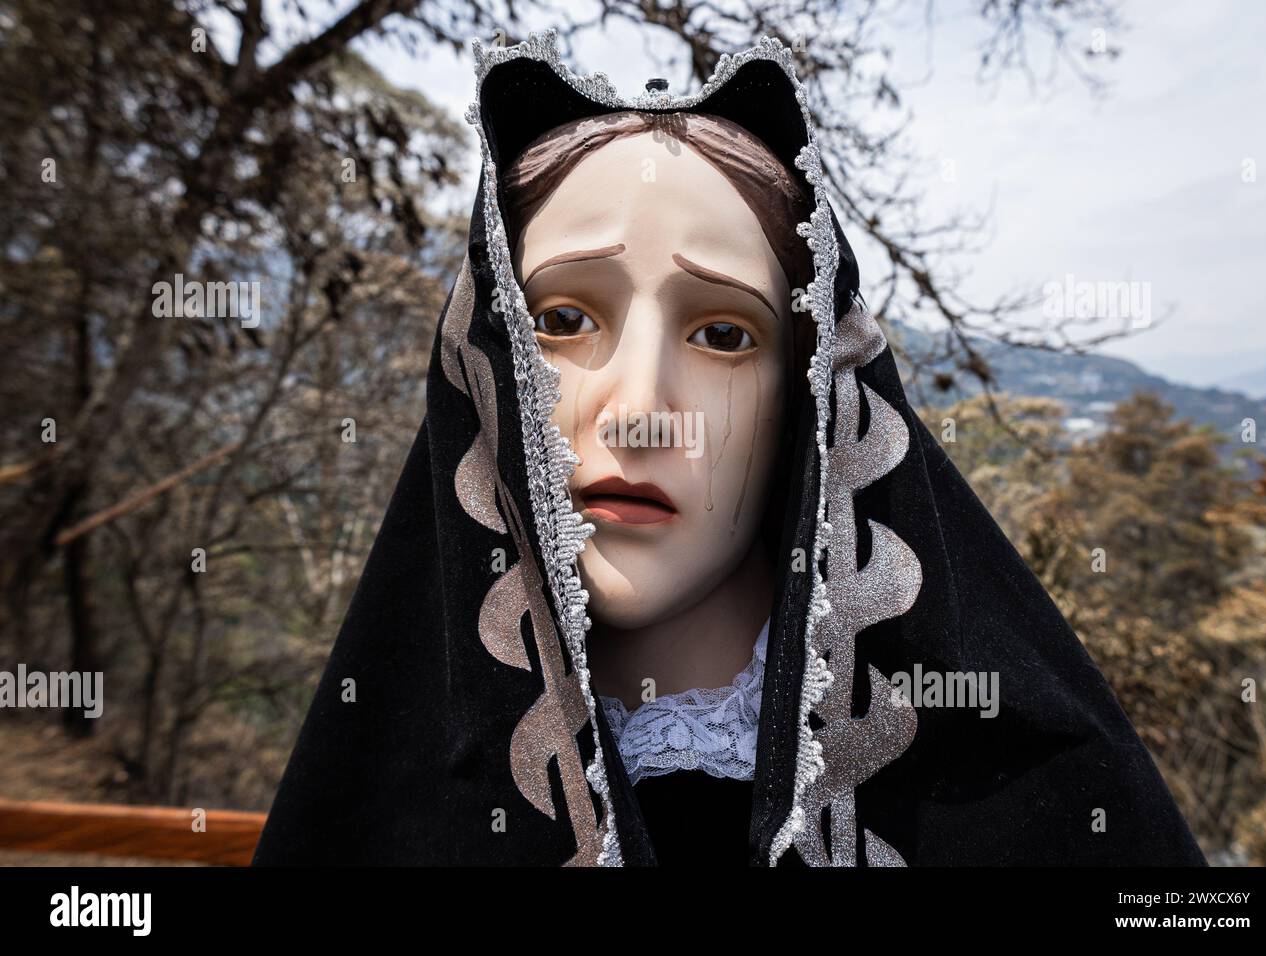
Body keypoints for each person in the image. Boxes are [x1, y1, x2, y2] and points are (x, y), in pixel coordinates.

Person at [252, 31, 1206, 867]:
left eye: (721, 335)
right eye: (565, 317)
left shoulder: (1022, 792)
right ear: (489, 360)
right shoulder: (385, 789)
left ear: (806, 392)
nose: (637, 414)